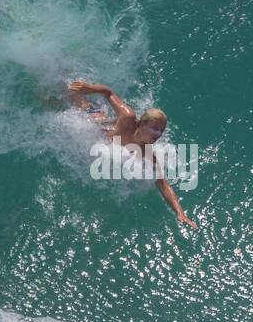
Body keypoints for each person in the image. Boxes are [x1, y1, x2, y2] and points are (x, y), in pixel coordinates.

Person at [68, 79, 197, 229]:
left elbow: (163, 184)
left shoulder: (147, 153)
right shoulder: (128, 117)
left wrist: (180, 213)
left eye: (161, 130)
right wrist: (89, 88)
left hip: (101, 135)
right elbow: (108, 92)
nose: (159, 134)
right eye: (155, 128)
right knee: (70, 96)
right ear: (142, 123)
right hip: (93, 119)